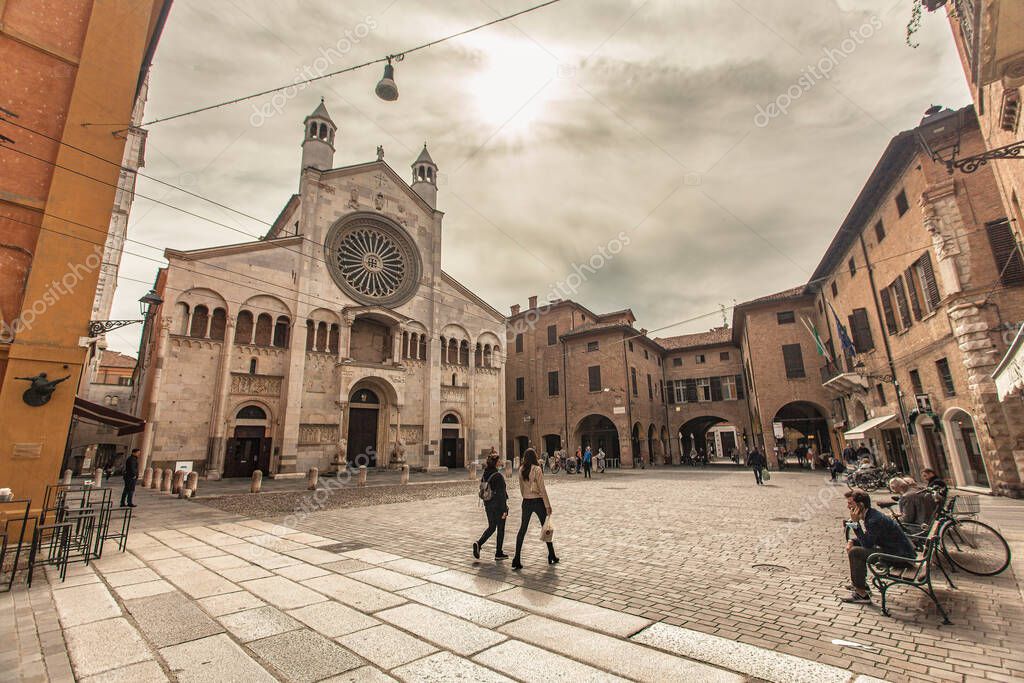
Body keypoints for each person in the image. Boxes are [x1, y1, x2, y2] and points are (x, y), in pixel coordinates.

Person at [841, 489, 917, 604]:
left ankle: (861, 594)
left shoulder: (873, 520)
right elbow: (869, 538)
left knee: (855, 552)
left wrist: (855, 525)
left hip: (903, 558)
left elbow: (867, 544)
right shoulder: (871, 514)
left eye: (851, 504)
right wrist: (852, 540)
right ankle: (860, 584)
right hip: (898, 552)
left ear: (860, 505)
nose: (848, 507)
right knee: (855, 548)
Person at [512, 448, 557, 569]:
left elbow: (521, 488)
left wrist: (525, 496)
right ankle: (551, 554)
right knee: (546, 527)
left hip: (526, 501)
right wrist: (548, 505)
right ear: (535, 457)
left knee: (522, 529)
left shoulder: (521, 469)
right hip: (537, 501)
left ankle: (516, 557)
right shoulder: (537, 469)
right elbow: (542, 488)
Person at [473, 452, 509, 560]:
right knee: (501, 528)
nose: (501, 462)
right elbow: (501, 494)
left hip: (488, 504)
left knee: (492, 527)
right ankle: (498, 553)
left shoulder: (485, 474)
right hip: (498, 506)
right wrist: (504, 509)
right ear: (496, 463)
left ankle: (479, 543)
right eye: (499, 461)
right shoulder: (498, 476)